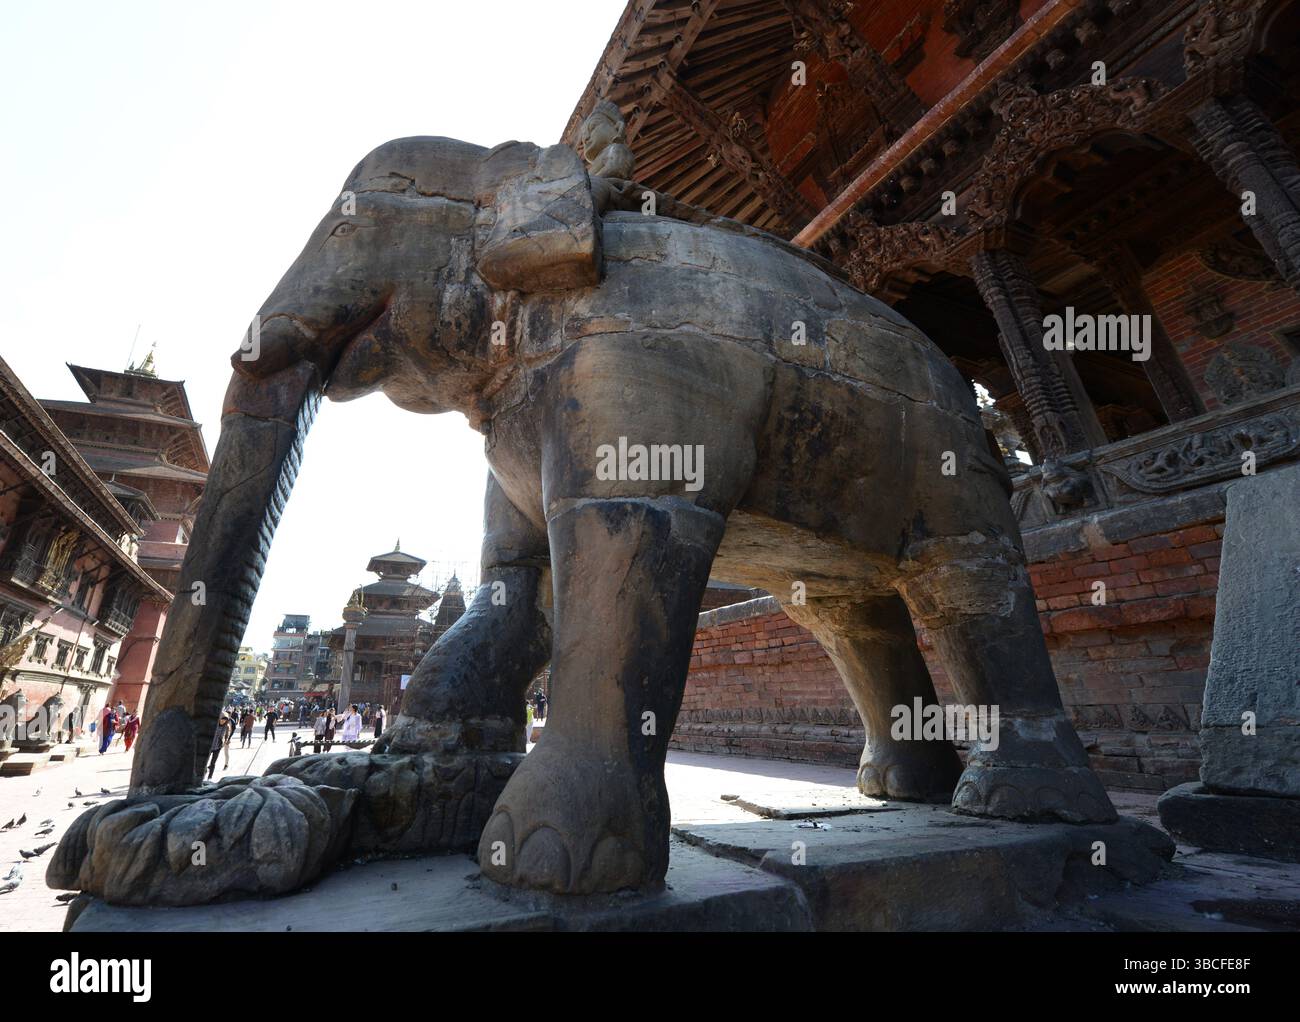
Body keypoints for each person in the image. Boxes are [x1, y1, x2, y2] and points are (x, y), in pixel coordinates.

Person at [207, 714, 232, 780]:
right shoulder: (214, 724)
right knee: (205, 761)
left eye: (224, 720)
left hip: (218, 746)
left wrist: (225, 741)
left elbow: (227, 734)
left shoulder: (226, 726)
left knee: (213, 762)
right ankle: (203, 772)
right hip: (209, 746)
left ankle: (210, 777)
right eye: (222, 719)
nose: (223, 721)